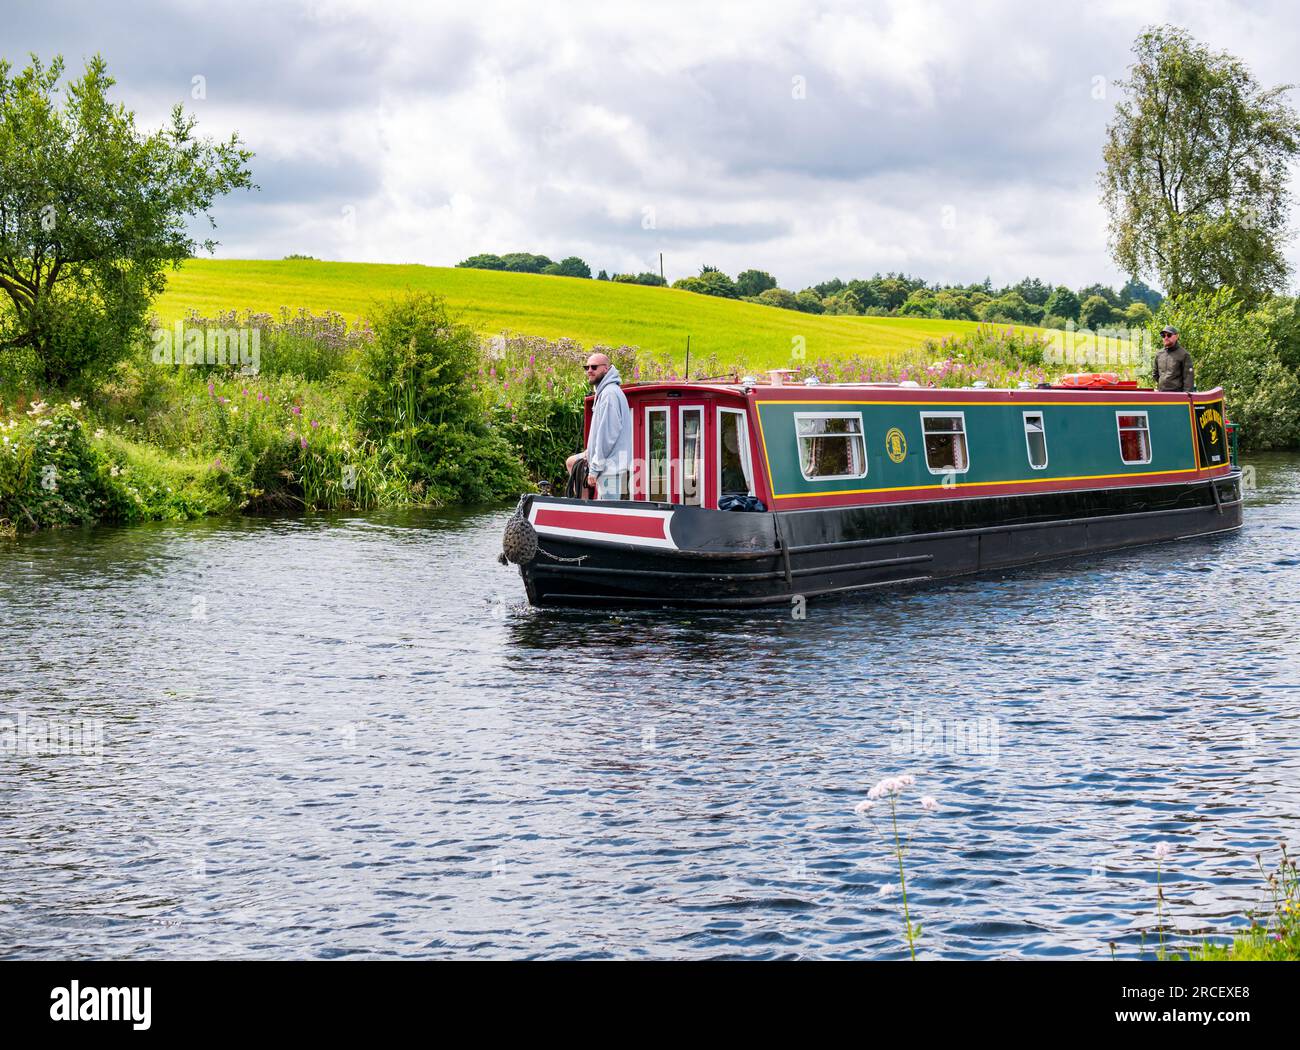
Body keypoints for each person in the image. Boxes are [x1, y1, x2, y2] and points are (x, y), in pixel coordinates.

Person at [565, 353, 631, 500]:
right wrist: (589, 454)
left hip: (610, 468)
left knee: (609, 512)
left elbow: (607, 437)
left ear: (606, 369)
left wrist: (594, 470)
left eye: (594, 367)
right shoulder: (607, 392)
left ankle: (584, 513)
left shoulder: (609, 395)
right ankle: (582, 510)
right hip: (609, 465)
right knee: (572, 462)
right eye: (586, 367)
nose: (589, 370)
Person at [1153, 325, 1194, 392]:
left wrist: (1186, 397)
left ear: (1176, 336)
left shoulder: (1184, 354)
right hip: (1161, 394)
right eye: (1163, 336)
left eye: (1169, 335)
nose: (1166, 338)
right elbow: (1155, 374)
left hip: (1177, 396)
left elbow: (1188, 378)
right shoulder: (1159, 354)